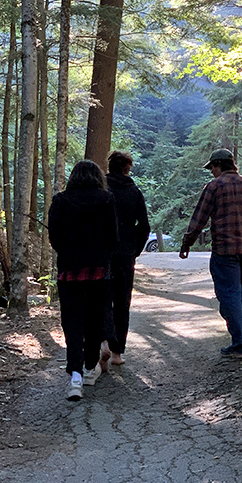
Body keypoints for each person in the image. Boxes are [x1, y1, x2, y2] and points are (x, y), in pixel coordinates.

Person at [179, 148, 242, 358]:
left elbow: (199, 218)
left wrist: (187, 243)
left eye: (212, 167)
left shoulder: (214, 187)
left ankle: (238, 344)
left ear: (219, 165)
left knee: (229, 293)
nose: (211, 171)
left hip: (225, 250)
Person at [48, 160, 118, 401]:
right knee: (95, 320)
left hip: (69, 271)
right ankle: (90, 367)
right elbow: (113, 237)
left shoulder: (60, 200)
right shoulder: (106, 199)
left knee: (72, 322)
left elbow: (54, 237)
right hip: (98, 270)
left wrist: (68, 253)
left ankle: (75, 375)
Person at [103, 149, 150, 366]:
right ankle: (117, 353)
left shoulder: (100, 189)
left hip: (101, 254)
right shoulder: (134, 192)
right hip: (124, 255)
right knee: (122, 302)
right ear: (126, 168)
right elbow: (145, 225)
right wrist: (135, 249)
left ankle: (102, 342)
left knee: (101, 300)